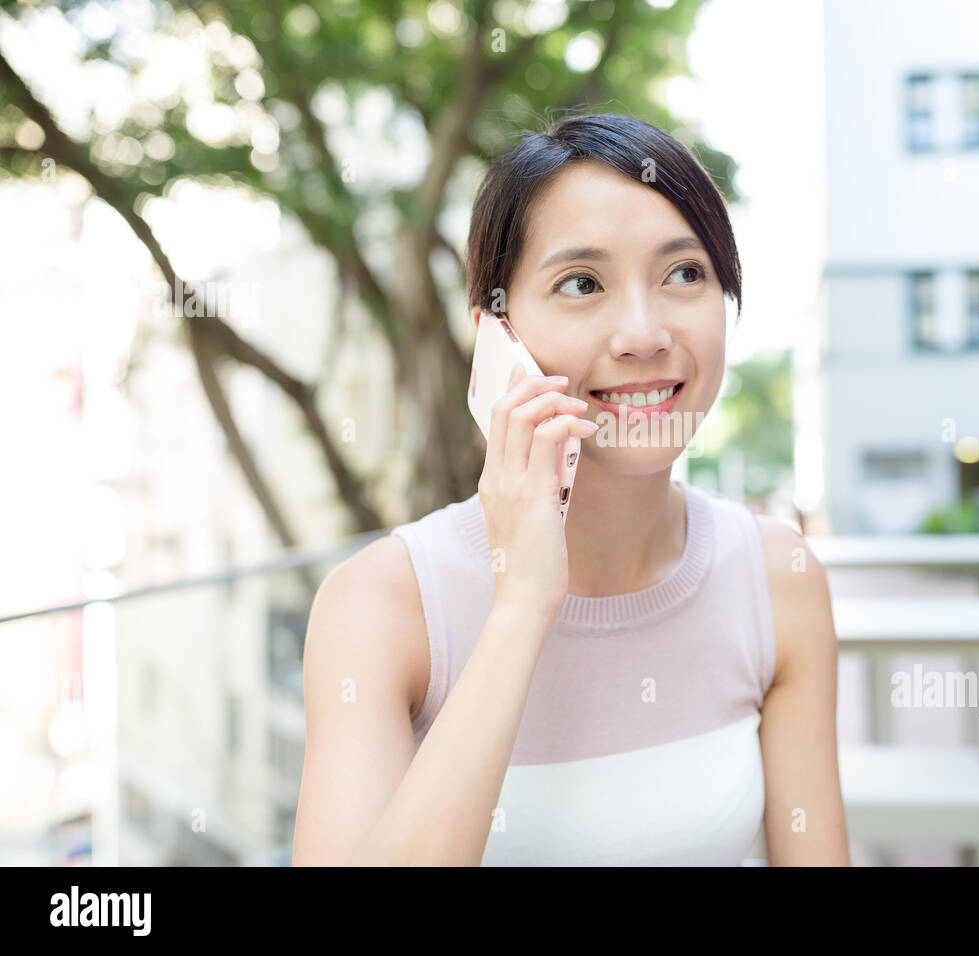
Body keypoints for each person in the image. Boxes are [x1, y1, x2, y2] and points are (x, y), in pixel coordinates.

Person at [291, 112, 849, 866]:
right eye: (582, 283)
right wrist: (521, 602)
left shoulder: (777, 580)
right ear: (495, 333)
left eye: (685, 273)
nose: (643, 334)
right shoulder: (381, 605)